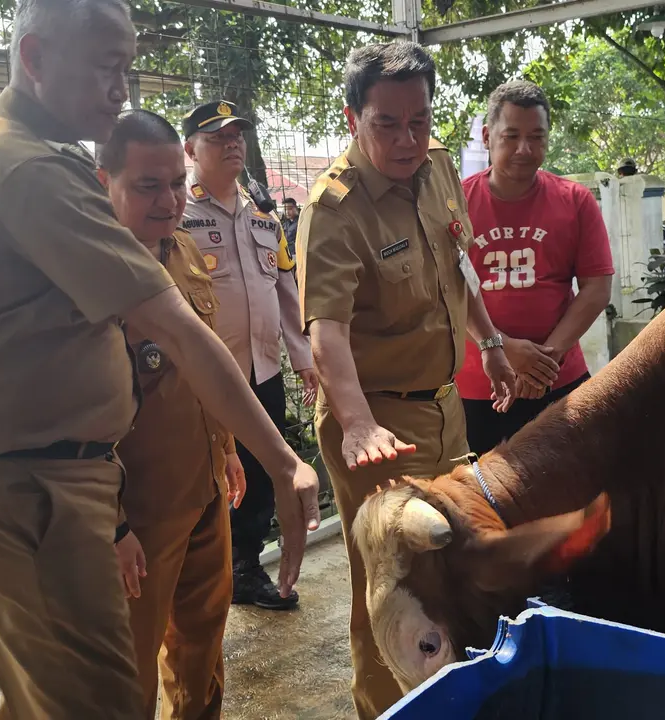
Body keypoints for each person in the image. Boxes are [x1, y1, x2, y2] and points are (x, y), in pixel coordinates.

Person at [0, 1, 319, 716]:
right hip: (36, 488)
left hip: (62, 480)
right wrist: (285, 463)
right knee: (105, 701)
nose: (122, 88)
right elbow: (173, 328)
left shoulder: (18, 155)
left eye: (126, 67)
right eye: (107, 67)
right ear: (35, 59)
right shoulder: (22, 166)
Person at [296, 40, 517, 719]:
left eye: (419, 120)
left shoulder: (439, 169)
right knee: (389, 595)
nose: (407, 138)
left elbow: (459, 267)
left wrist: (493, 341)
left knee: (452, 573)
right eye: (386, 124)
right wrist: (358, 421)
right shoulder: (334, 210)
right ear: (352, 118)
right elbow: (325, 330)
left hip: (446, 408)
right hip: (379, 425)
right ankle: (384, 712)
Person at [97, 109, 241, 720]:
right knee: (124, 671)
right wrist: (113, 524)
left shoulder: (181, 249)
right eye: (147, 186)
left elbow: (204, 364)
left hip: (204, 490)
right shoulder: (91, 274)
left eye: (177, 183)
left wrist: (228, 449)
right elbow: (74, 418)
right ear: (106, 181)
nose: (169, 200)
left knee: (203, 647)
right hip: (140, 516)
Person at [181, 99, 318, 610]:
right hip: (204, 378)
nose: (233, 142)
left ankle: (244, 568)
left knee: (261, 470)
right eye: (218, 136)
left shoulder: (262, 213)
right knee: (207, 473)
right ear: (190, 148)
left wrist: (302, 355)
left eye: (238, 135)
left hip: (262, 370)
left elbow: (286, 286)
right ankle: (201, 569)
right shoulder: (177, 215)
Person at [459, 80, 614, 454]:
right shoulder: (457, 203)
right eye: (511, 136)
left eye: (536, 137)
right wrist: (501, 347)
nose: (524, 150)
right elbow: (446, 287)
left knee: (572, 496)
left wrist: (546, 361)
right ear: (486, 136)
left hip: (557, 382)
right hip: (475, 388)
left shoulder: (575, 201)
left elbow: (596, 288)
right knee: (478, 502)